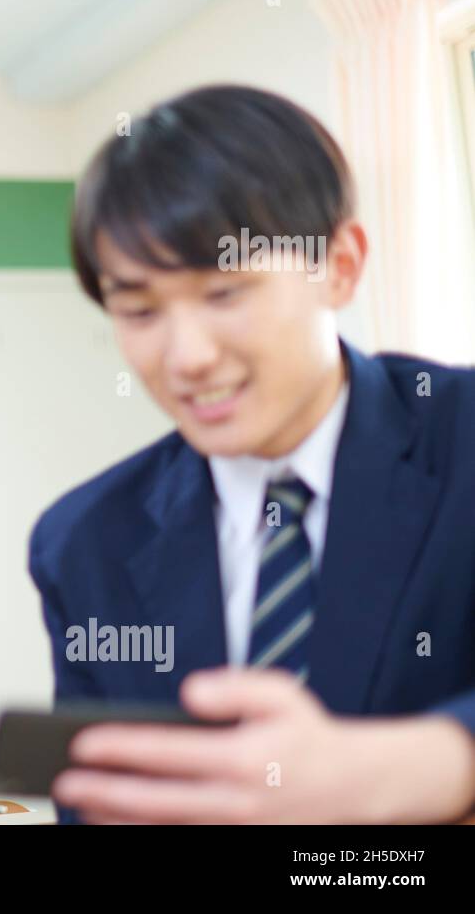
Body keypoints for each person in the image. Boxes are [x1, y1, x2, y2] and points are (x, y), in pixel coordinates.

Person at [30, 84, 475, 823]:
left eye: (226, 292)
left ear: (339, 265)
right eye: (138, 310)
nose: (188, 357)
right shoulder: (84, 542)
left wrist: (433, 765)